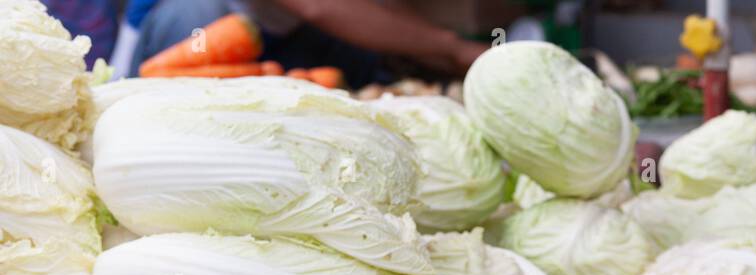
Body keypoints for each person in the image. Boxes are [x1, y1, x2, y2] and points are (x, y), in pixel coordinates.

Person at [128, 0, 488, 87]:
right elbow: (318, 6)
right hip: (206, 30)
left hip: (294, 36)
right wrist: (454, 48)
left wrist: (439, 54)